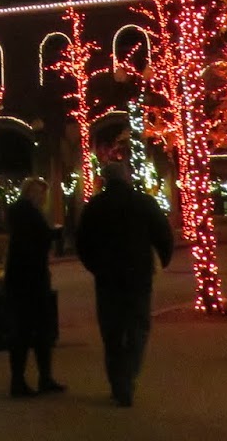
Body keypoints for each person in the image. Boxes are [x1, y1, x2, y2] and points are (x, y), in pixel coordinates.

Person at [74, 160, 173, 407]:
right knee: (138, 327)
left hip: (107, 278)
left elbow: (82, 241)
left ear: (105, 179)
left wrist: (95, 266)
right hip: (138, 275)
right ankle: (128, 374)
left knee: (112, 332)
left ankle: (118, 381)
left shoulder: (95, 206)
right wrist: (163, 258)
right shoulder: (143, 202)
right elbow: (163, 233)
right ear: (127, 177)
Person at [4, 177, 65, 397]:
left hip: (20, 278)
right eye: (39, 193)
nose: (42, 197)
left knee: (25, 330)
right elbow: (37, 240)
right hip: (31, 278)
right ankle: (36, 379)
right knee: (36, 329)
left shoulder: (19, 213)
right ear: (30, 193)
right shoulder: (29, 214)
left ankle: (24, 379)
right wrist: (55, 233)